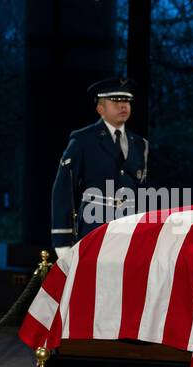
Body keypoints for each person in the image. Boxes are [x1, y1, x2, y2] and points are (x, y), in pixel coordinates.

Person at [50, 77, 149, 257]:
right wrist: (62, 240)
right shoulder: (83, 140)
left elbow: (142, 192)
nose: (123, 106)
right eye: (115, 101)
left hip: (129, 233)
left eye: (126, 100)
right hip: (93, 228)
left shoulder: (140, 144)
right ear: (100, 108)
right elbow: (63, 190)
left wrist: (145, 235)